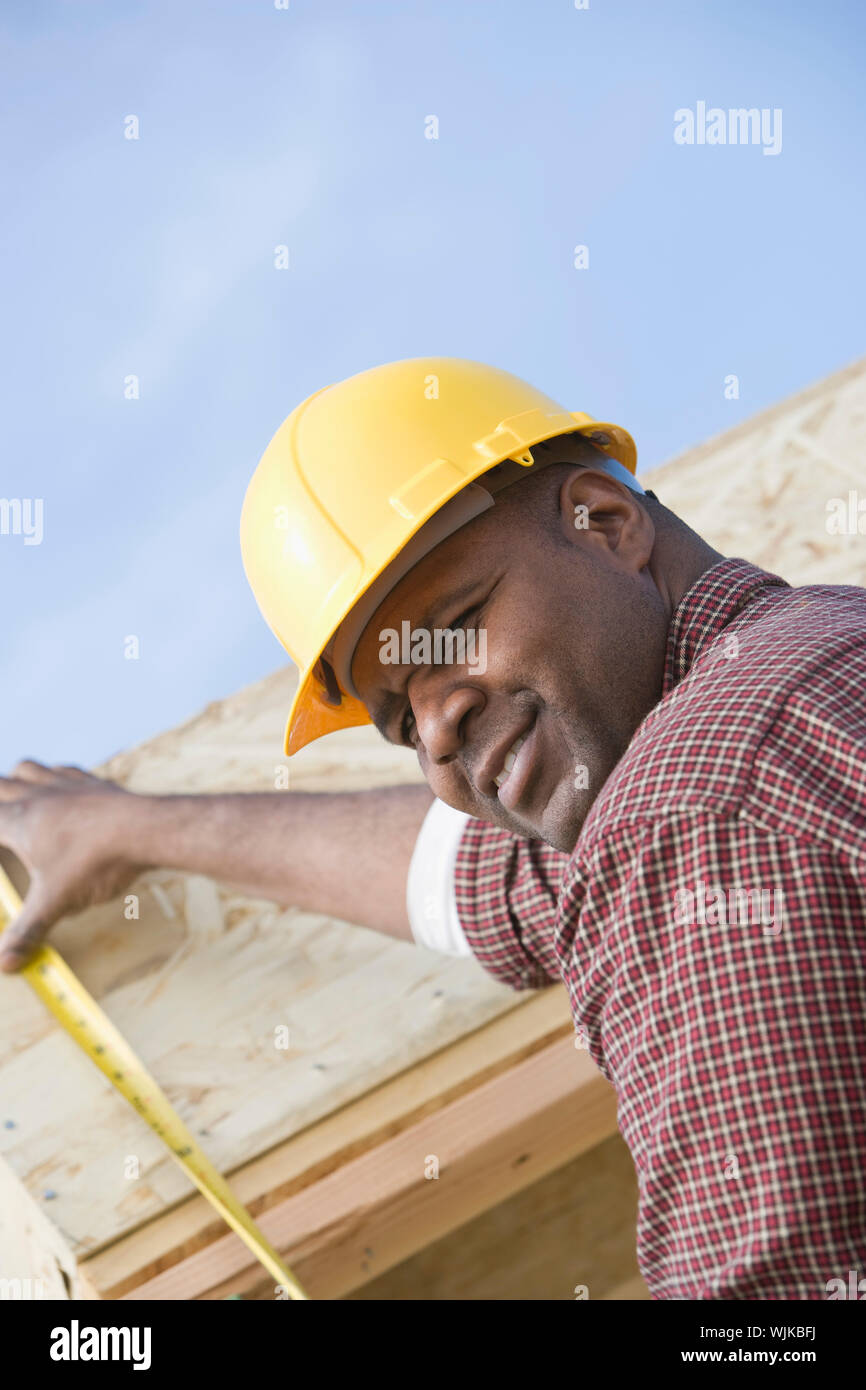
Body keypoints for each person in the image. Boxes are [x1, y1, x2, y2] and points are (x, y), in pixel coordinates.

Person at [2, 357, 865, 1301]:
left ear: (605, 525)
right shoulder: (806, 669)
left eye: (452, 628)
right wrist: (131, 828)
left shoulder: (691, 811)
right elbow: (485, 875)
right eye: (404, 723)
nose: (440, 729)